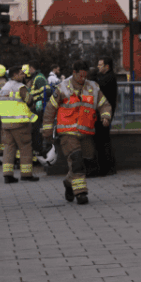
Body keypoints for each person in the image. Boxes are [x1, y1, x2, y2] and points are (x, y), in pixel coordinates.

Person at [42, 60, 112, 204]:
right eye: (80, 76)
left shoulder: (93, 87)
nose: (83, 79)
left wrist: (105, 116)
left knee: (84, 162)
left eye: (85, 76)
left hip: (85, 133)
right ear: (74, 73)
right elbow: (50, 109)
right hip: (67, 132)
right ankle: (80, 193)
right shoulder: (62, 88)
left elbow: (104, 104)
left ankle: (69, 183)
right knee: (76, 160)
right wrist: (47, 129)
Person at [0, 66, 39, 183]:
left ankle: (7, 174)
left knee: (9, 148)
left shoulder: (4, 87)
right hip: (20, 122)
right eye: (21, 74)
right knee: (25, 147)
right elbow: (29, 100)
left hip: (6, 123)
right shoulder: (20, 87)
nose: (23, 75)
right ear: (14, 75)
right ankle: (26, 174)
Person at [91, 56, 118, 176]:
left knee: (102, 141)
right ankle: (110, 167)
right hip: (105, 113)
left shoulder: (108, 78)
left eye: (99, 65)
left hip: (104, 114)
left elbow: (97, 86)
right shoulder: (106, 77)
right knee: (104, 140)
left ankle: (105, 168)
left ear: (107, 66)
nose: (98, 67)